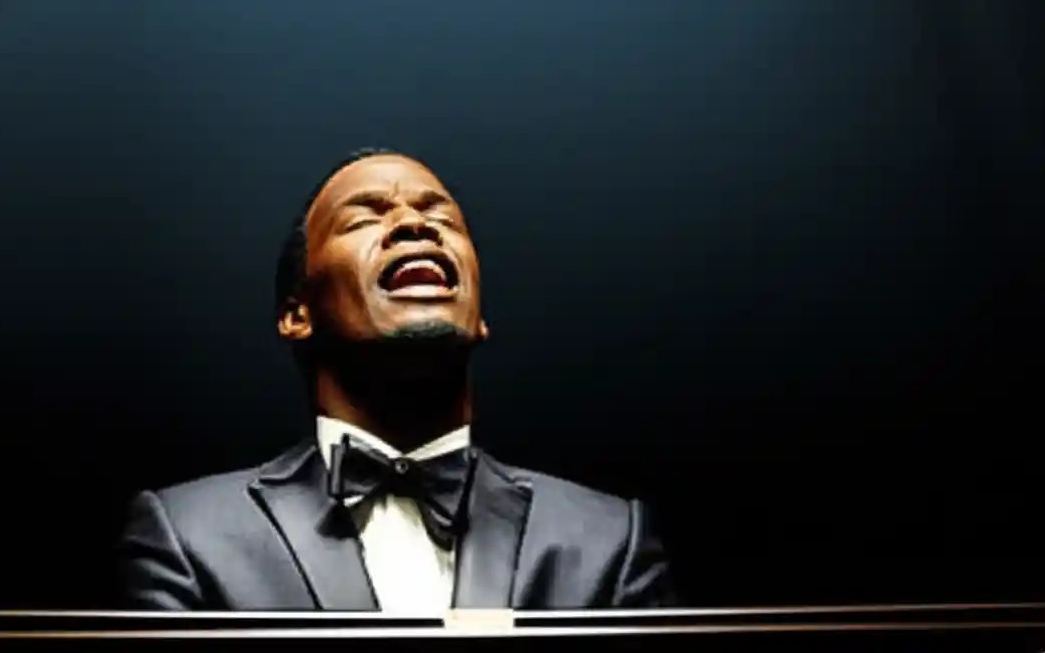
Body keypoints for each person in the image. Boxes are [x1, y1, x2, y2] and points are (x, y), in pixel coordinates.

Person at [117, 148, 674, 612]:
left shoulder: (608, 539)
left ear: (478, 316)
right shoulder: (188, 534)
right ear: (296, 314)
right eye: (363, 217)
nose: (414, 224)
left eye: (444, 218)